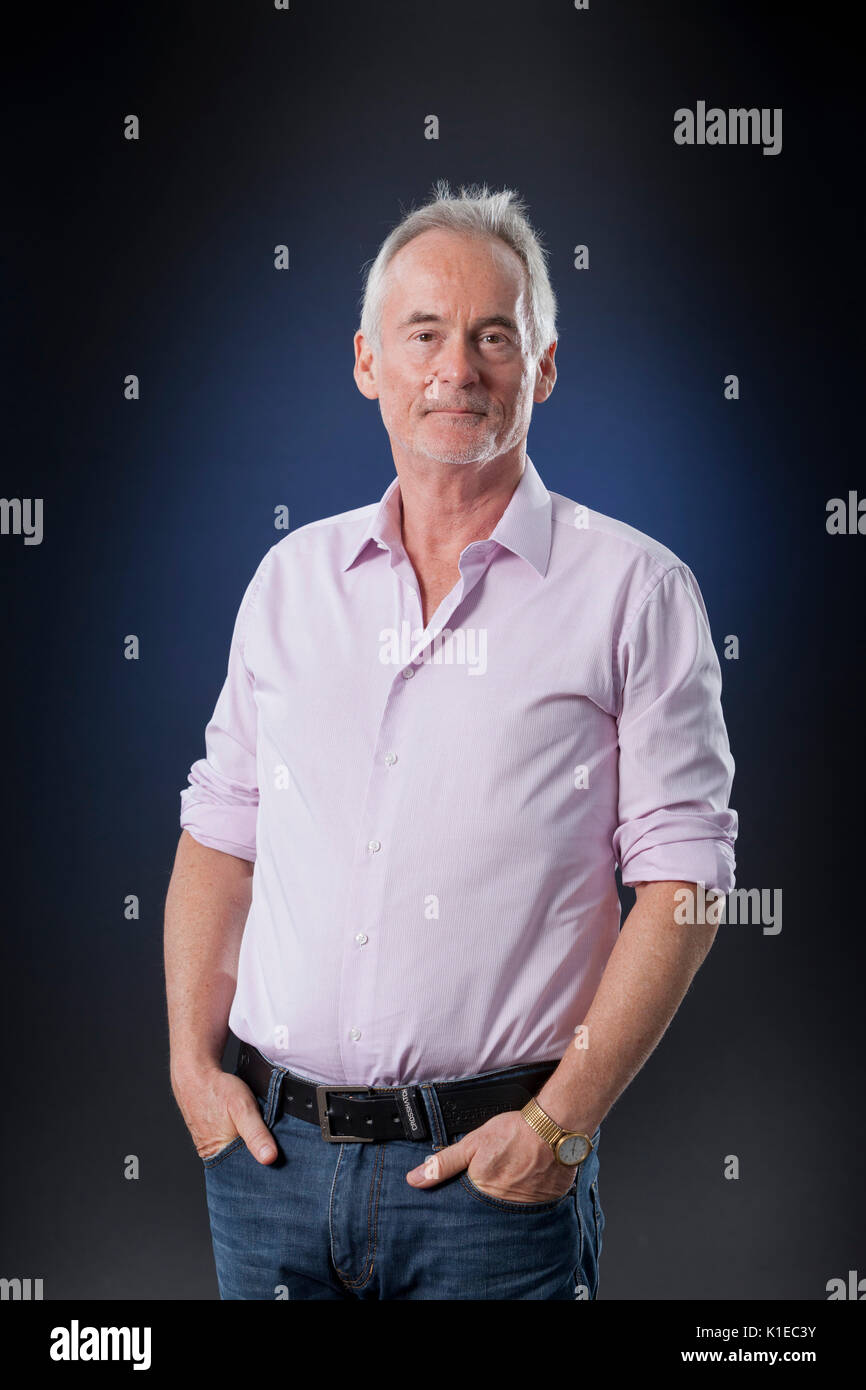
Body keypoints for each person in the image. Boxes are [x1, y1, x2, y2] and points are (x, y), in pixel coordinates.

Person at [164, 179, 738, 1301]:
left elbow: (686, 880)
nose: (456, 368)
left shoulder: (633, 591)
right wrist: (193, 1069)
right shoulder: (289, 584)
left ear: (544, 366)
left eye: (492, 337)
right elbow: (219, 832)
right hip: (268, 1168)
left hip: (491, 1185)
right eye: (422, 333)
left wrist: (559, 1130)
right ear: (367, 361)